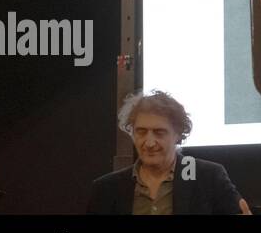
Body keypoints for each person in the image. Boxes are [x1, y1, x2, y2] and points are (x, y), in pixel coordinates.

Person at [87, 90, 250, 215]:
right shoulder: (106, 189)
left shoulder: (208, 177)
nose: (149, 143)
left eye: (159, 132)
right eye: (141, 132)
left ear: (178, 134)